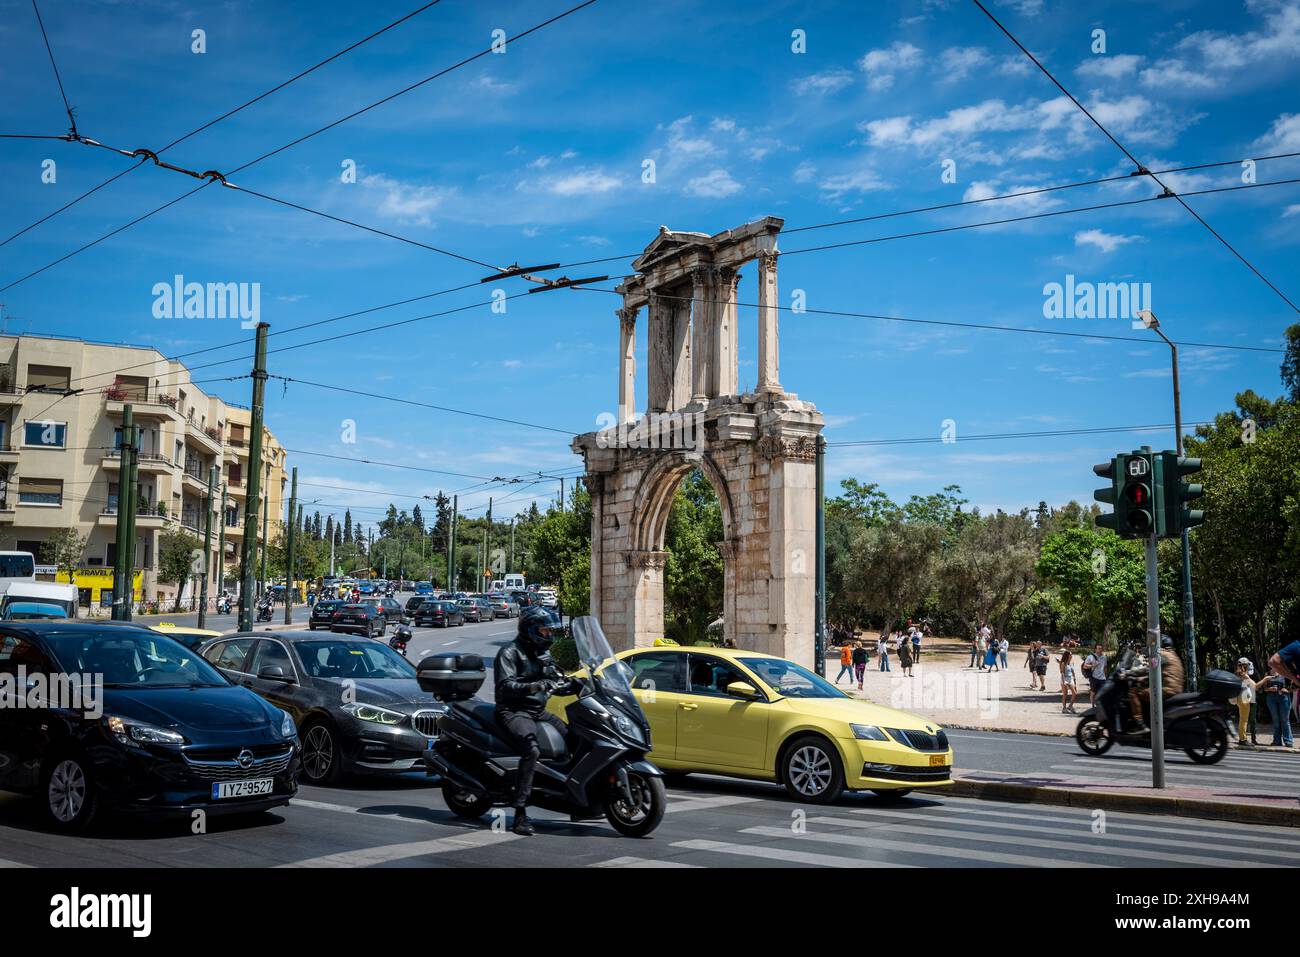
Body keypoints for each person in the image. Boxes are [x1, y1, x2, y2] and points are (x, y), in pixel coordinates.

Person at [494, 605, 573, 836]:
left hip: (538, 711)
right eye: (545, 631)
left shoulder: (542, 653)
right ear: (531, 630)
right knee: (532, 750)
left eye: (550, 631)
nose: (549, 635)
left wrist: (577, 683)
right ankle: (520, 813)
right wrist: (533, 686)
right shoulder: (509, 652)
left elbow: (556, 677)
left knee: (574, 737)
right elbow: (505, 686)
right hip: (513, 711)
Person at [1127, 636, 1186, 730]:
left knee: (1133, 692)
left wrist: (1129, 673)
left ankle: (1140, 724)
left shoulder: (1162, 654)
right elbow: (1161, 673)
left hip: (1167, 690)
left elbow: (1149, 669)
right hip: (1176, 690)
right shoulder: (1174, 656)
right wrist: (1145, 679)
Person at [1059, 648, 1078, 713]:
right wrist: (1064, 681)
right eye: (1070, 654)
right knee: (1065, 694)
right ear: (1067, 655)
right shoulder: (1063, 663)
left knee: (1075, 693)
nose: (1071, 655)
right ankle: (1064, 708)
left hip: (1071, 679)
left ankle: (1070, 706)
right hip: (1065, 679)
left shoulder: (1071, 662)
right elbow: (1062, 673)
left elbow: (1073, 672)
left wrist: (1075, 680)